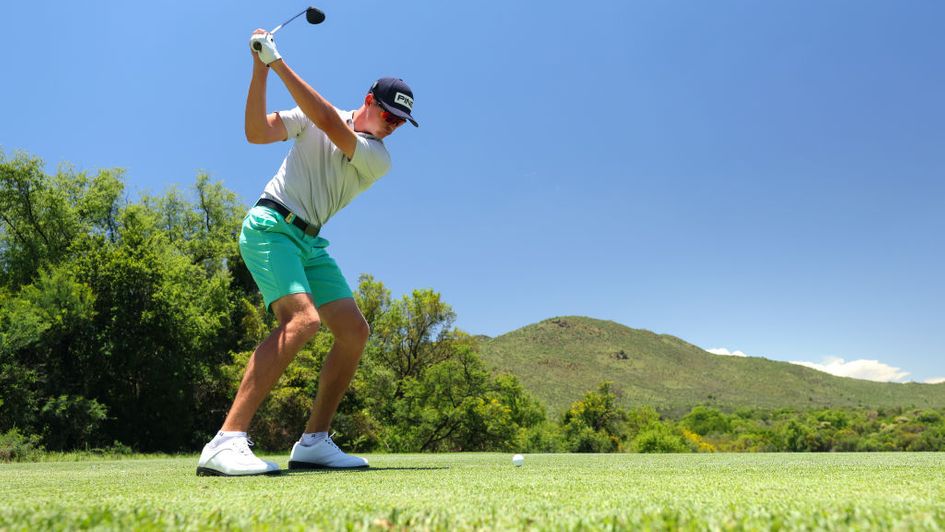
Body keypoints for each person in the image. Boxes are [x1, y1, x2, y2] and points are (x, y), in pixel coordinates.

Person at [196, 29, 418, 476]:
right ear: (369, 100)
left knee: (353, 331)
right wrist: (260, 69)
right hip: (271, 226)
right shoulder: (313, 115)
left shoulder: (378, 156)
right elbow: (256, 132)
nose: (392, 126)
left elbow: (330, 124)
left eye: (400, 123)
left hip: (310, 243)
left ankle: (314, 442)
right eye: (389, 115)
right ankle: (226, 441)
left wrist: (276, 62)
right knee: (303, 321)